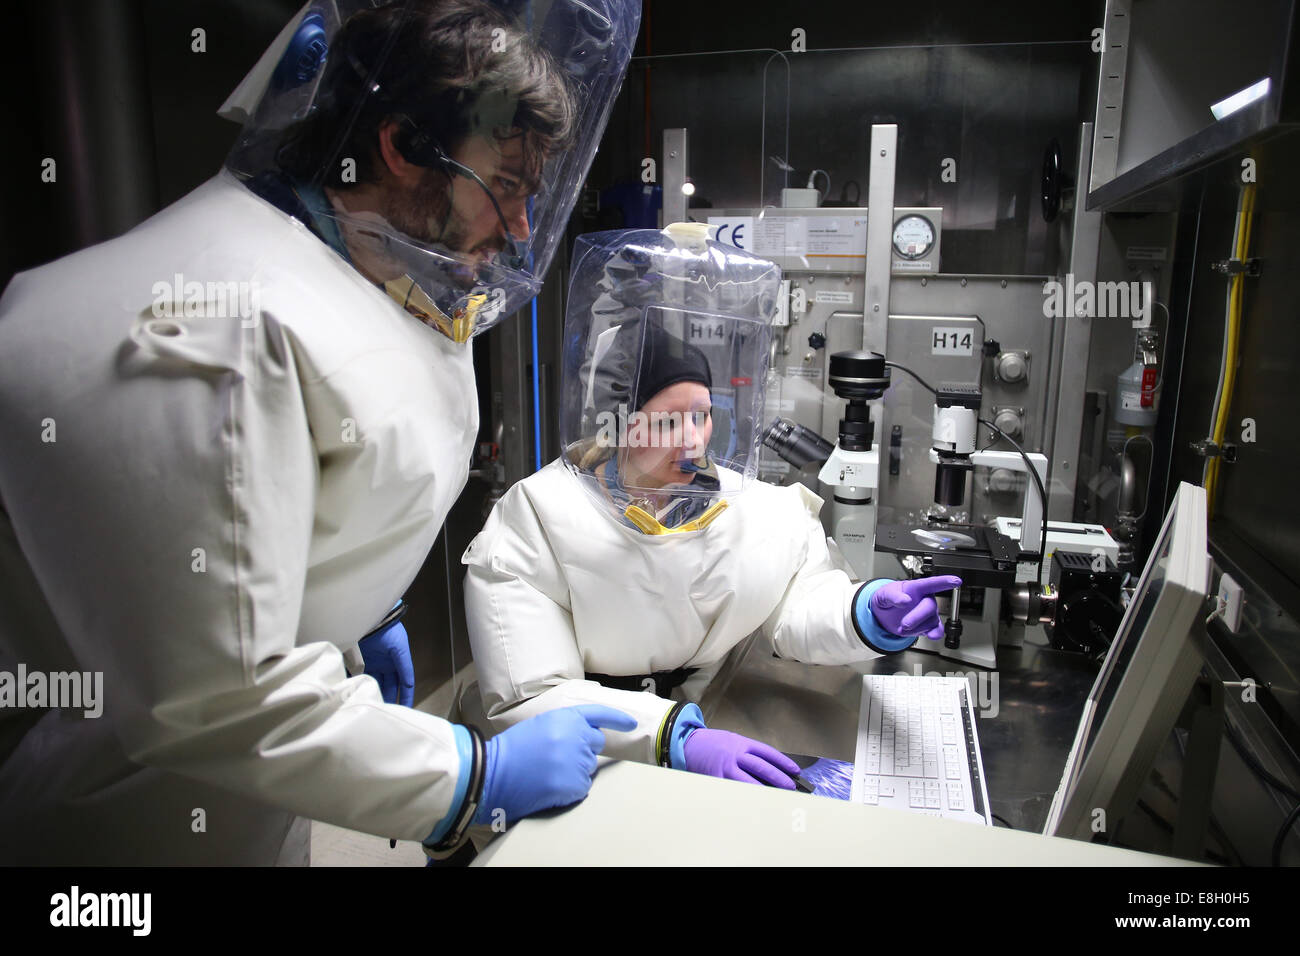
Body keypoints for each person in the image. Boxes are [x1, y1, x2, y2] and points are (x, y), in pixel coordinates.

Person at [0, 0, 640, 865]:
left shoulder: (360, 263)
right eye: (510, 187)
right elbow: (216, 696)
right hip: (126, 830)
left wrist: (357, 599)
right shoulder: (214, 322)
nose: (523, 230)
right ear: (404, 146)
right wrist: (470, 777)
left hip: (254, 801)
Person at [463, 225, 962, 788]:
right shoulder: (536, 522)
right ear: (620, 423)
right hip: (582, 761)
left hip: (708, 735)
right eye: (668, 420)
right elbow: (531, 693)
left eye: (701, 415)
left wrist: (861, 613)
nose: (693, 441)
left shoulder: (749, 509)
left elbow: (791, 605)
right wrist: (670, 736)